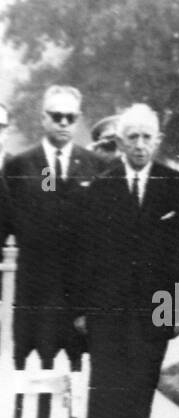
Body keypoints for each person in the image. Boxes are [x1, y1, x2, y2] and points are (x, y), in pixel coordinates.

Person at [76, 104, 179, 418]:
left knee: (141, 388)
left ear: (157, 140)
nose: (140, 145)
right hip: (107, 309)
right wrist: (81, 311)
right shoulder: (101, 187)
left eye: (147, 137)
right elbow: (85, 254)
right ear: (120, 142)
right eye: (133, 137)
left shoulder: (177, 186)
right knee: (106, 387)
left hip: (155, 308)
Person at [4, 85, 102, 368]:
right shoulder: (18, 168)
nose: (63, 123)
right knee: (29, 379)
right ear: (43, 118)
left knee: (77, 382)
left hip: (78, 299)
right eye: (56, 115)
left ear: (78, 119)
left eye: (70, 117)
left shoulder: (97, 167)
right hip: (35, 296)